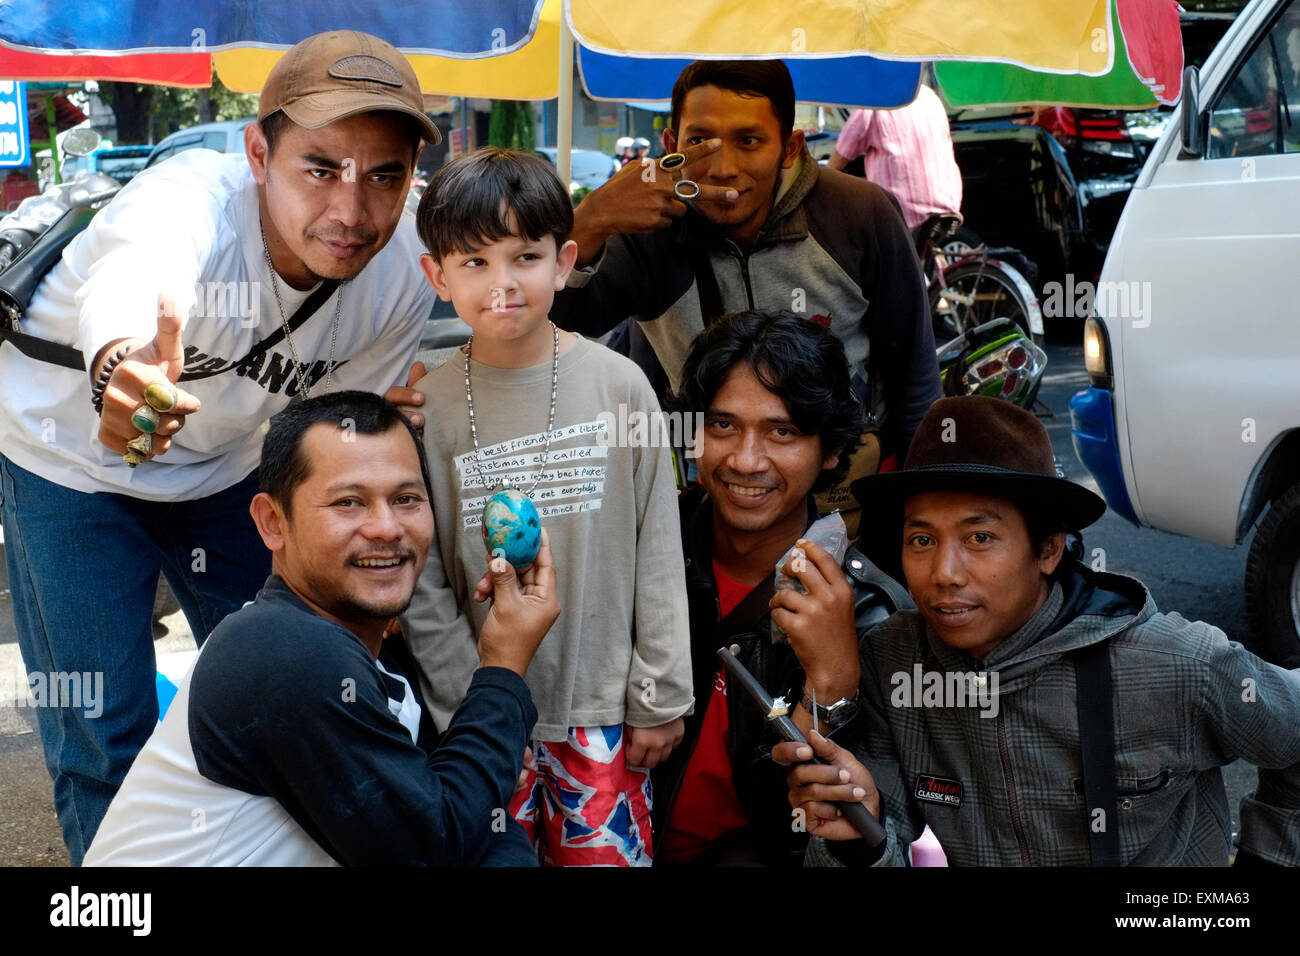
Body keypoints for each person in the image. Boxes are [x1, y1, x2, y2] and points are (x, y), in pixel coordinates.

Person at [0, 29, 439, 864]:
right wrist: (119, 370)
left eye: (384, 175)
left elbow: (335, 426)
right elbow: (133, 272)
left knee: (317, 678)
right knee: (101, 725)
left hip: (231, 470)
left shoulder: (404, 270)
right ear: (258, 154)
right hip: (68, 462)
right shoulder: (188, 199)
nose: (351, 211)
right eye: (320, 168)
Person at [777, 396, 1300, 866]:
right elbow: (873, 843)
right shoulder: (895, 665)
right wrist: (856, 841)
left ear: (1049, 549)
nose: (944, 573)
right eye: (921, 540)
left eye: (979, 537)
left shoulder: (1174, 664)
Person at [83, 392, 558, 866]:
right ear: (273, 522)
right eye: (349, 502)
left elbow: (459, 820)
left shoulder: (350, 648)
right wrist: (503, 664)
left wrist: (473, 783)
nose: (387, 528)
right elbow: (435, 848)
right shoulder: (286, 651)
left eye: (407, 499)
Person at [400, 148, 693, 867]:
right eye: (473, 263)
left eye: (524, 257)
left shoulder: (621, 386)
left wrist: (660, 691)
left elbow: (658, 544)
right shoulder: (426, 410)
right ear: (436, 276)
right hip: (486, 725)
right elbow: (425, 577)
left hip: (604, 719)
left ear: (563, 263)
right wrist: (464, 701)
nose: (503, 283)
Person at [544, 59, 941, 525]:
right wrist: (590, 220)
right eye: (699, 142)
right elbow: (557, 317)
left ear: (790, 147)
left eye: (749, 141)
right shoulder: (645, 230)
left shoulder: (858, 214)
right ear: (670, 145)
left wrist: (921, 514)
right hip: (712, 499)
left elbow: (913, 374)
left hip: (845, 501)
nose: (723, 168)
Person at [652, 311, 909, 867]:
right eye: (722, 426)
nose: (746, 460)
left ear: (833, 451)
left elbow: (822, 837)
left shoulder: (873, 613)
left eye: (782, 431)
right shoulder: (645, 548)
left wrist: (834, 686)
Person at [826, 80, 963, 236]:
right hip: (948, 201)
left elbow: (845, 149)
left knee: (856, 237)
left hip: (905, 210)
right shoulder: (930, 96)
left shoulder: (877, 101)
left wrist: (822, 177)